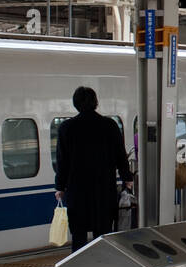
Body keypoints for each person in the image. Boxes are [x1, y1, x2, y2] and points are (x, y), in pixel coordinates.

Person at [55, 86, 131, 252]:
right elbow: (121, 155)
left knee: (79, 235)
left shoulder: (66, 128)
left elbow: (62, 161)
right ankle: (103, 266)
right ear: (96, 103)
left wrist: (60, 187)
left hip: (77, 192)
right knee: (103, 232)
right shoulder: (110, 126)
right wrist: (127, 178)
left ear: (75, 104)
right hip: (103, 191)